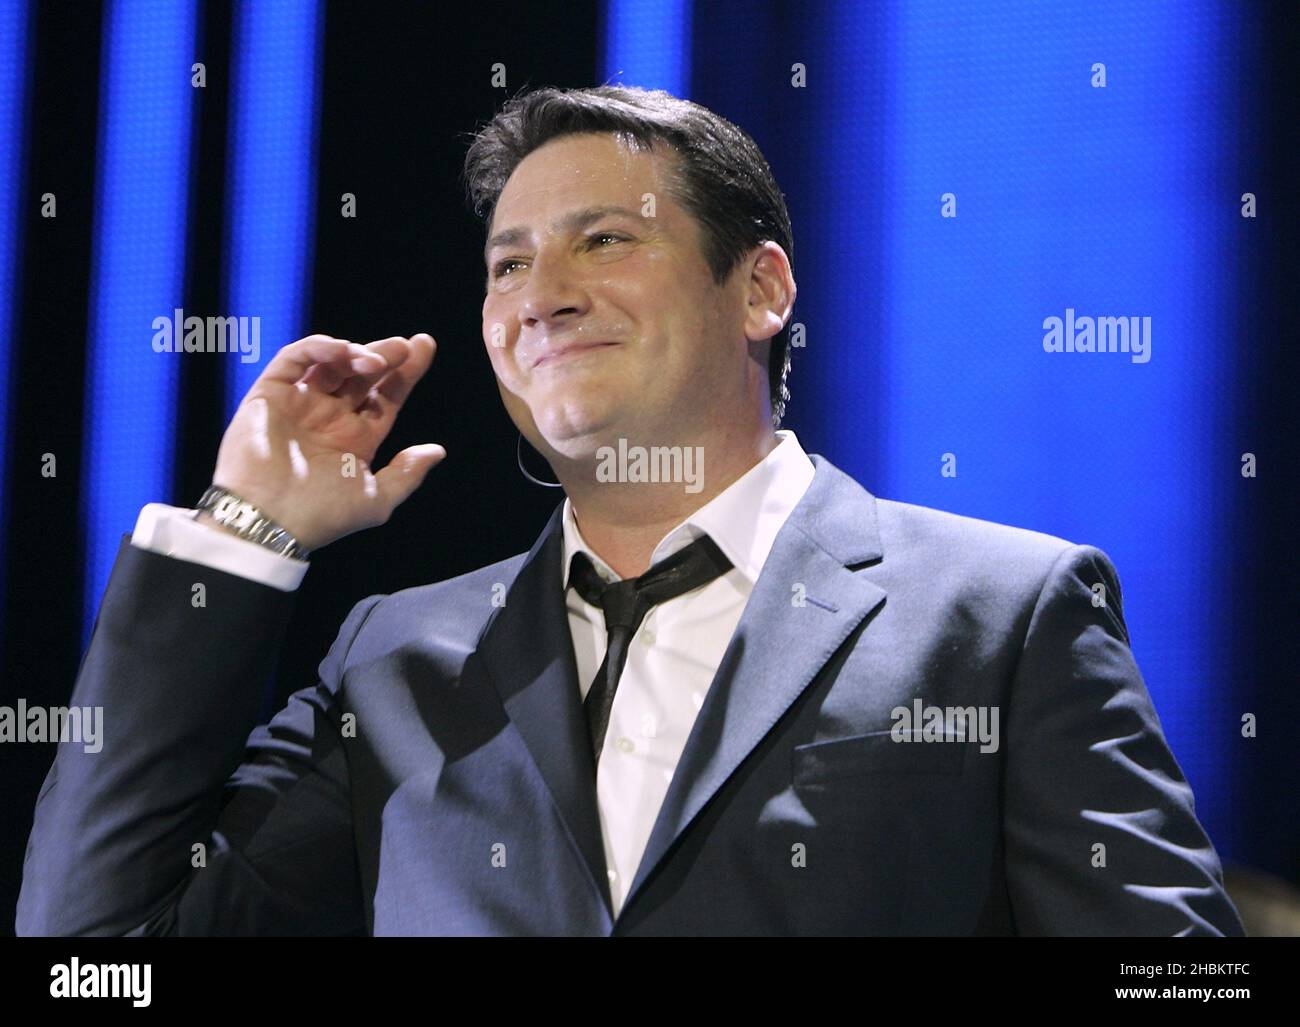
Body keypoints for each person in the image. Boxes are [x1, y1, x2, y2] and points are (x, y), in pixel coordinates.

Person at [16, 85, 1243, 936]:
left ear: (759, 288)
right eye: (506, 262)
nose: (540, 295)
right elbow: (97, 953)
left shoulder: (998, 611)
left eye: (603, 238)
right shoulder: (396, 658)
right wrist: (245, 531)